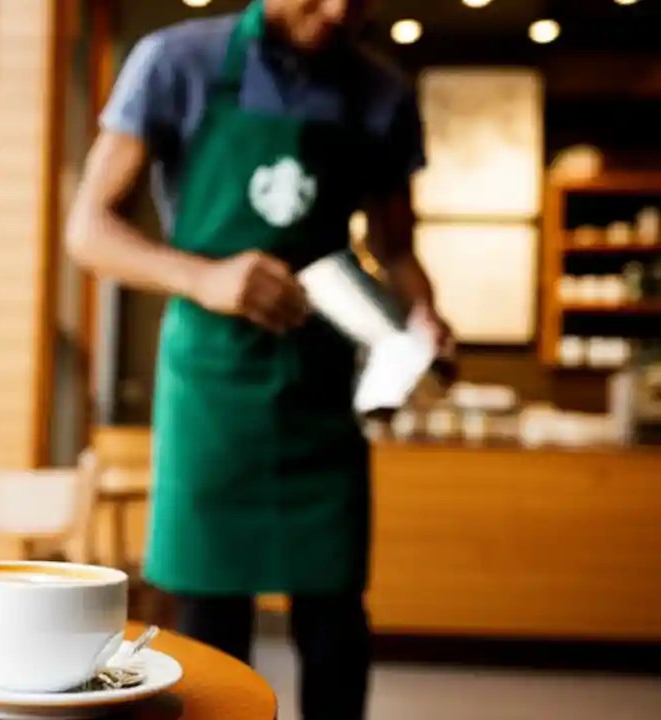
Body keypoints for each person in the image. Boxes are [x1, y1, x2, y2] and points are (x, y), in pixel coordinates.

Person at [65, 1, 450, 718]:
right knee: (210, 626)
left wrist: (420, 313)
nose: (339, 11)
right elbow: (88, 228)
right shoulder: (176, 62)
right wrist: (203, 278)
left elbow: (396, 251)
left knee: (335, 625)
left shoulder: (382, 94)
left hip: (322, 387)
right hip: (212, 386)